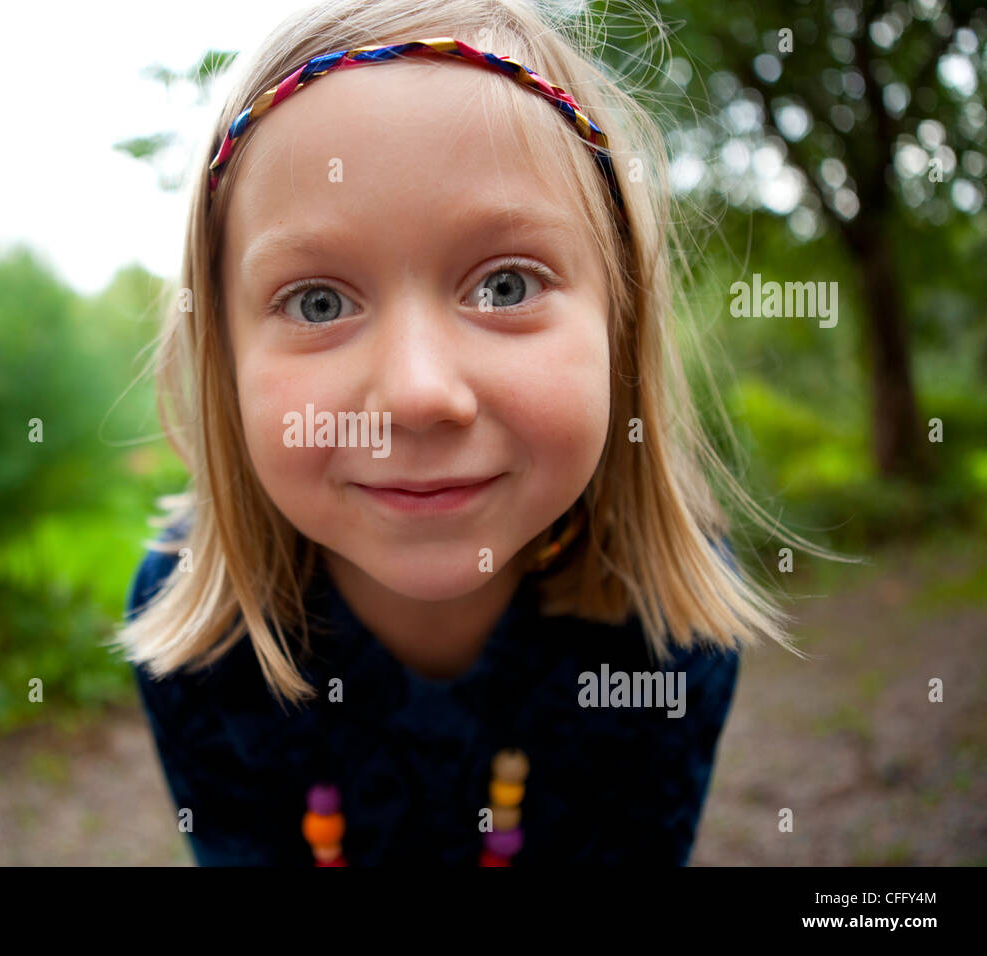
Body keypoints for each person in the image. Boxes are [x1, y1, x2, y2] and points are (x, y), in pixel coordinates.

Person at [114, 0, 826, 866]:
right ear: (223, 359)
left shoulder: (667, 635)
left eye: (506, 286)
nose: (419, 395)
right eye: (319, 302)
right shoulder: (194, 620)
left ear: (620, 328)